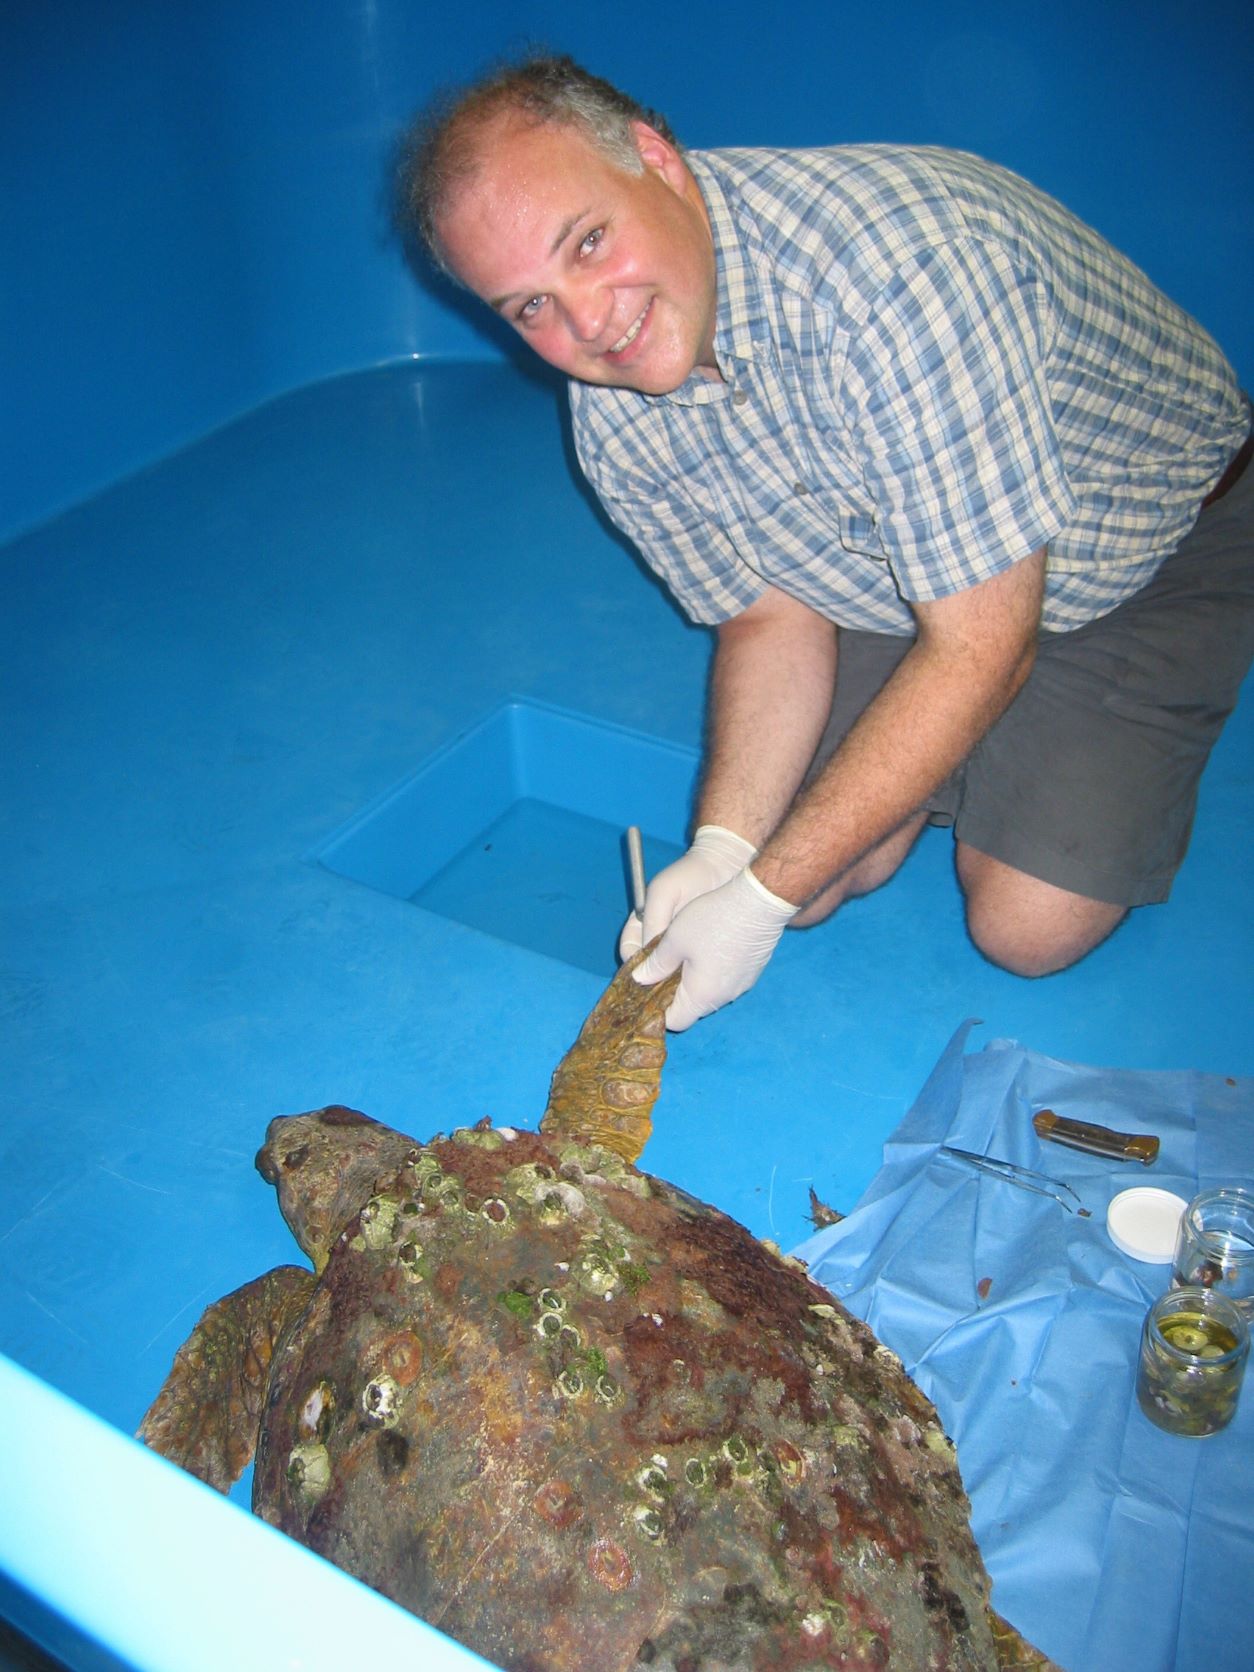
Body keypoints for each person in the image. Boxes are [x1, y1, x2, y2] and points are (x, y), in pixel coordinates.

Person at [402, 54, 1254, 1031]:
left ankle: (1031, 735)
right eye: (531, 307)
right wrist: (727, 853)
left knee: (1027, 928)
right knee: (797, 876)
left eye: (587, 241)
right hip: (896, 566)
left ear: (654, 157)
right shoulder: (610, 409)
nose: (591, 322)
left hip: (1150, 540)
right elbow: (766, 617)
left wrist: (753, 905)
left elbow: (984, 643)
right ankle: (949, 749)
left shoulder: (903, 276)